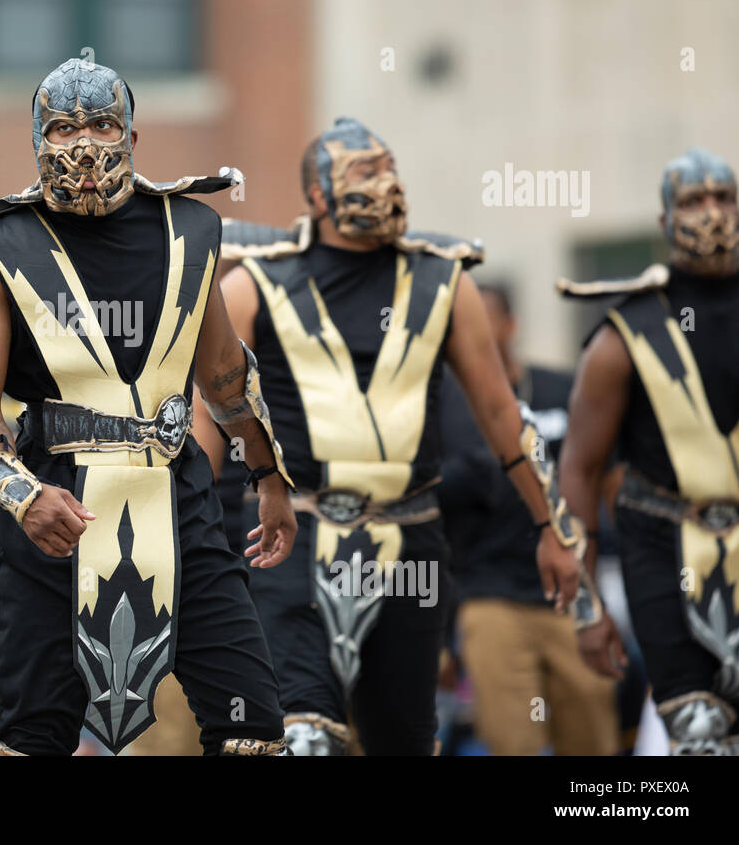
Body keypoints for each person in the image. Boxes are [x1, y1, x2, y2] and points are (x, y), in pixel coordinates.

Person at [0, 57, 298, 756]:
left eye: (101, 123)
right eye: (64, 127)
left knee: (253, 725)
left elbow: (223, 379)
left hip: (180, 498)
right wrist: (22, 496)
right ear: (37, 137)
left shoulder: (190, 229)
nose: (84, 143)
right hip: (52, 503)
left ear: (133, 133)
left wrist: (269, 478)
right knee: (34, 736)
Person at [197, 117, 583, 756]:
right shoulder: (250, 285)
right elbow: (208, 424)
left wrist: (553, 528)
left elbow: (500, 415)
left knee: (401, 741)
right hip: (290, 537)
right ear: (317, 196)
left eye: (388, 167)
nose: (385, 182)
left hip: (411, 546)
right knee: (301, 740)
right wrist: (185, 542)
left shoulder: (446, 283)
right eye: (363, 171)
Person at [559, 146, 739, 755]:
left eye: (723, 198)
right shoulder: (624, 332)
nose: (711, 213)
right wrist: (587, 607)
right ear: (665, 220)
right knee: (699, 733)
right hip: (664, 548)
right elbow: (580, 471)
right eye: (693, 200)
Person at [438, 284, 616, 755]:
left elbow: (604, 477)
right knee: (512, 741)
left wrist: (600, 588)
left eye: (488, 319)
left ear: (511, 324)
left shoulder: (562, 388)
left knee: (593, 735)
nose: (476, 333)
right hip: (488, 594)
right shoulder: (447, 405)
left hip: (570, 594)